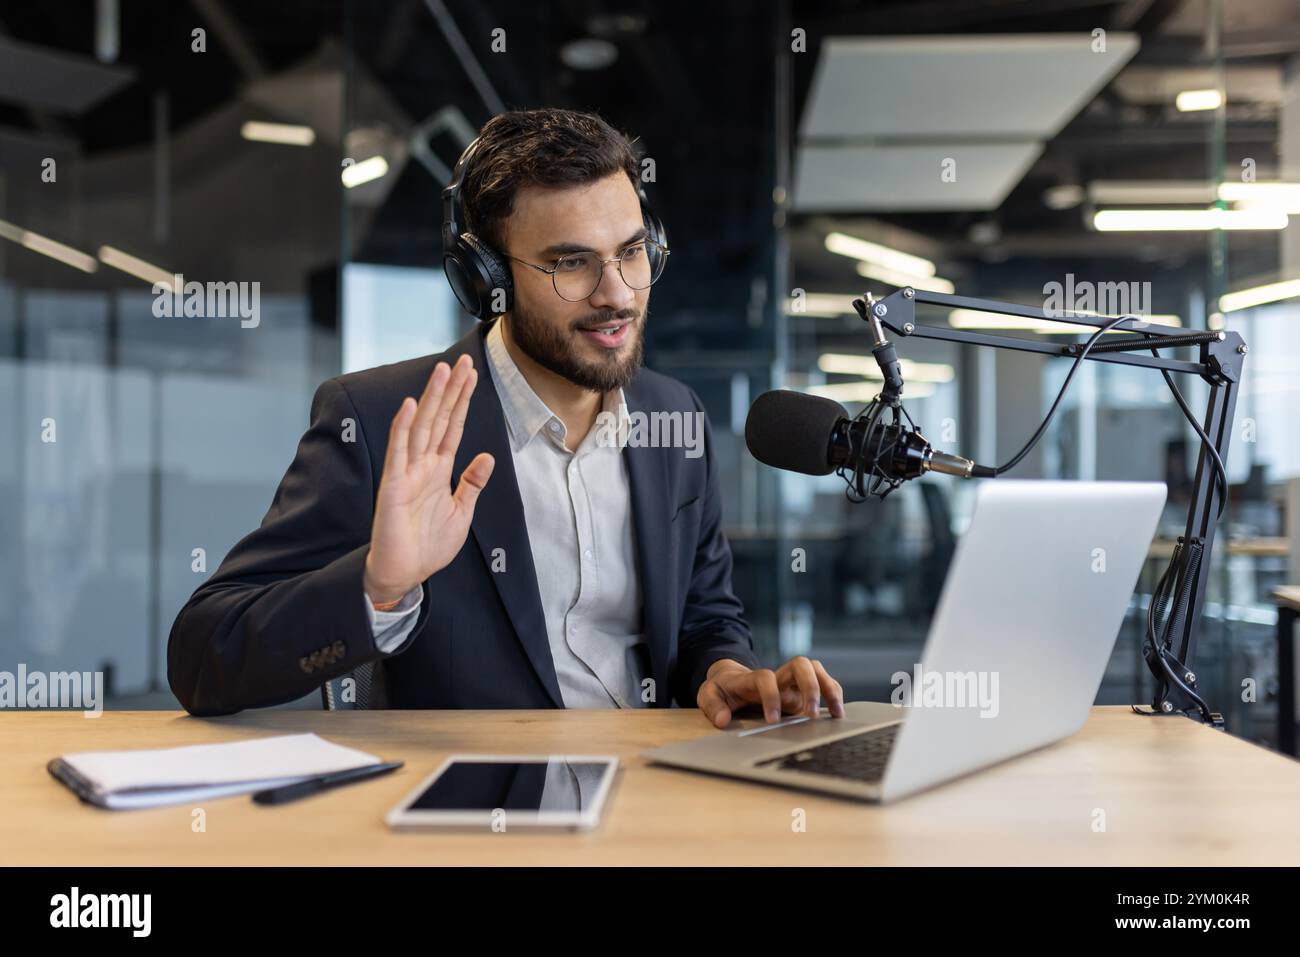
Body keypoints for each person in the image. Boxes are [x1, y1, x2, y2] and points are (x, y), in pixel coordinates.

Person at [168, 108, 845, 727]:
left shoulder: (674, 417)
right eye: (571, 263)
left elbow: (705, 617)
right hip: (473, 821)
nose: (616, 295)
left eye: (632, 252)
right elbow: (204, 654)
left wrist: (724, 671)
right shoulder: (382, 422)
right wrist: (378, 585)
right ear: (486, 278)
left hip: (652, 802)